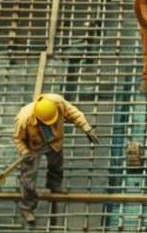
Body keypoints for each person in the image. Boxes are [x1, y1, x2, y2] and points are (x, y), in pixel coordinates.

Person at [13, 94, 101, 223]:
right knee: (28, 178)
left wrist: (85, 127)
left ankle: (54, 184)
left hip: (54, 140)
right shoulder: (24, 118)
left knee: (57, 164)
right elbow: (18, 138)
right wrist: (24, 151)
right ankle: (27, 208)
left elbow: (73, 112)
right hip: (33, 146)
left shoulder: (57, 102)